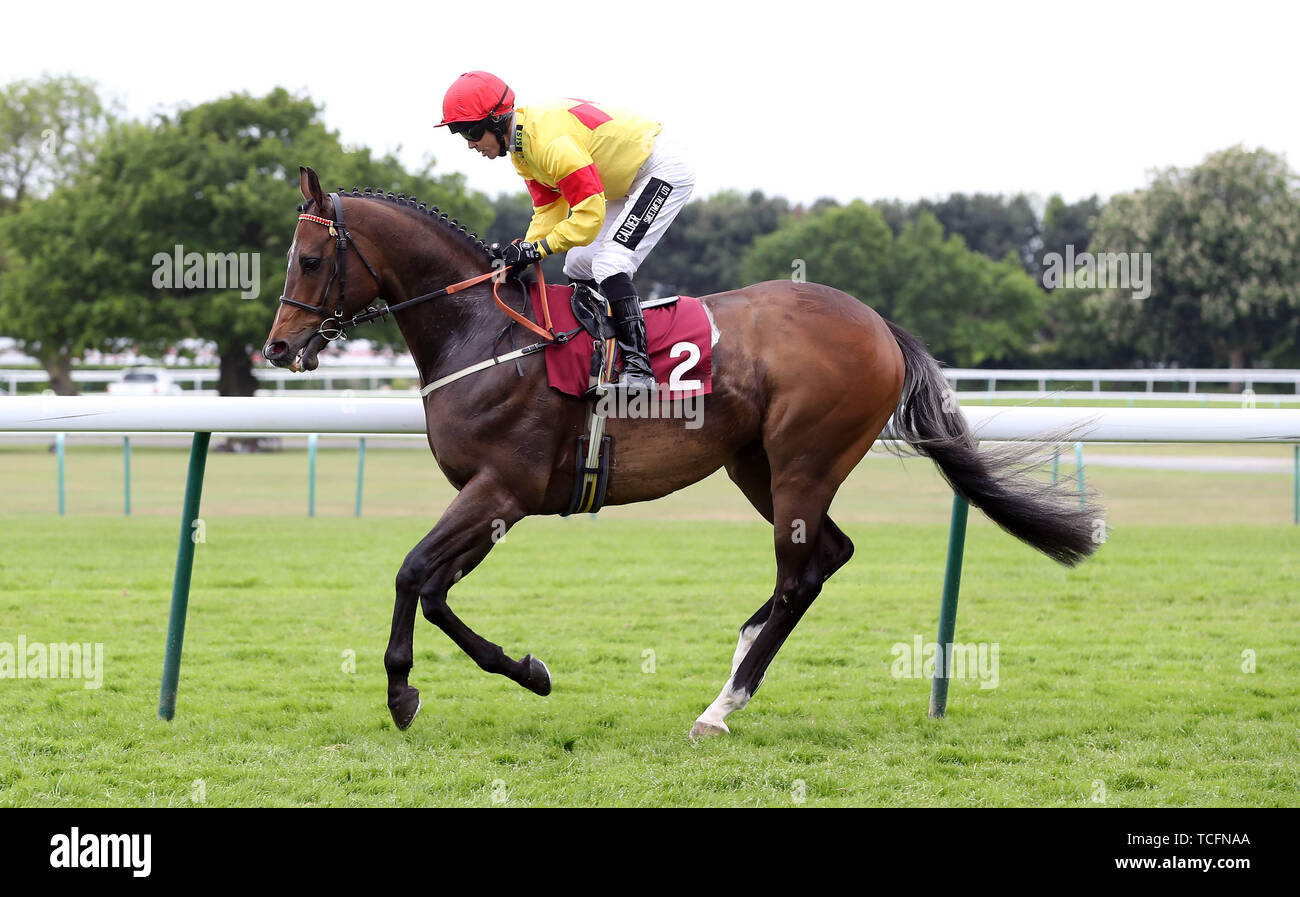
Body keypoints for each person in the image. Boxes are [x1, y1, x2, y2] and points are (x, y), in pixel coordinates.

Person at [437, 71, 695, 393]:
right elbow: (550, 210)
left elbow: (587, 218)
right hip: (622, 183)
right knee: (577, 264)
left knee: (610, 263)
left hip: (660, 170)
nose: (471, 144)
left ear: (498, 120)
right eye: (461, 134)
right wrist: (521, 251)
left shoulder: (549, 143)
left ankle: (639, 370)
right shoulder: (522, 149)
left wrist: (538, 250)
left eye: (471, 132)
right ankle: (600, 353)